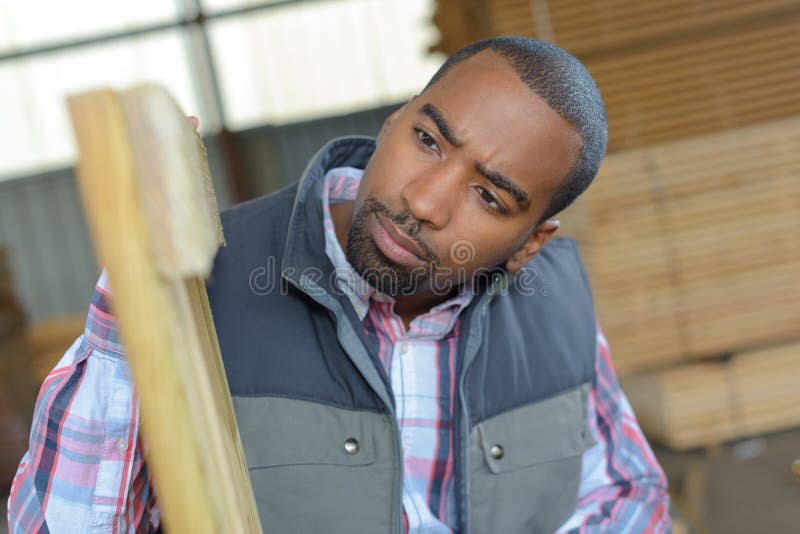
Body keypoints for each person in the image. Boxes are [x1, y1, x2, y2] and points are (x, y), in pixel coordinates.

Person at [7, 37, 670, 533]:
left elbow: (627, 497)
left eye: (490, 197)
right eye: (429, 140)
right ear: (394, 119)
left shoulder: (556, 305)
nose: (425, 201)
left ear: (530, 243)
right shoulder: (193, 290)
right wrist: (136, 307)